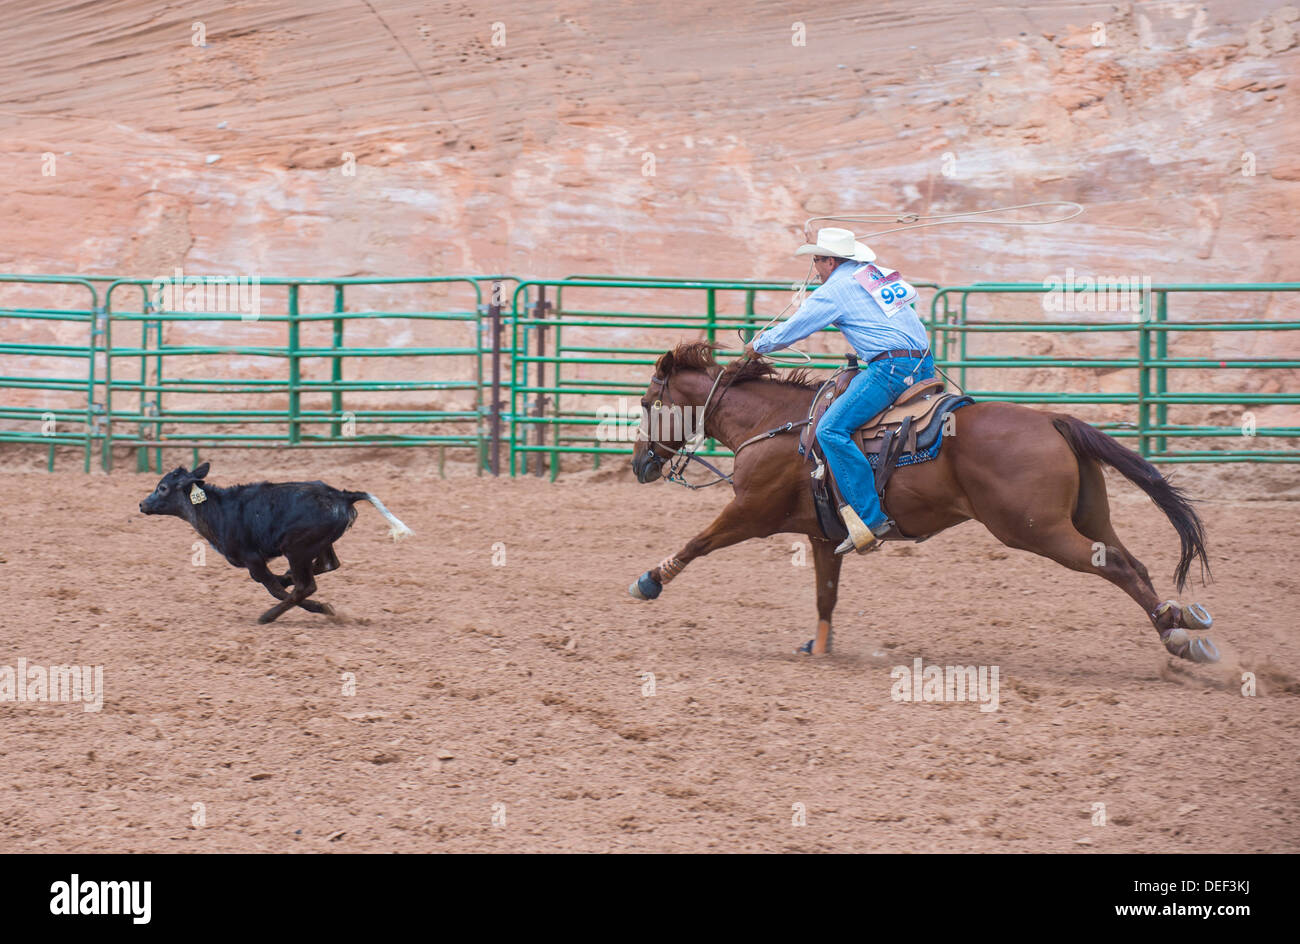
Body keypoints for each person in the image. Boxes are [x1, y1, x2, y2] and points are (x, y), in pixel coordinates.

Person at [744, 227, 935, 554]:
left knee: (831, 429)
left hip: (890, 369)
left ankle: (870, 520)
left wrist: (758, 346)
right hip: (924, 364)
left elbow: (797, 327)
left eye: (817, 260)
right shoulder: (874, 274)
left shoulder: (835, 289)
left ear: (830, 261)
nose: (815, 269)